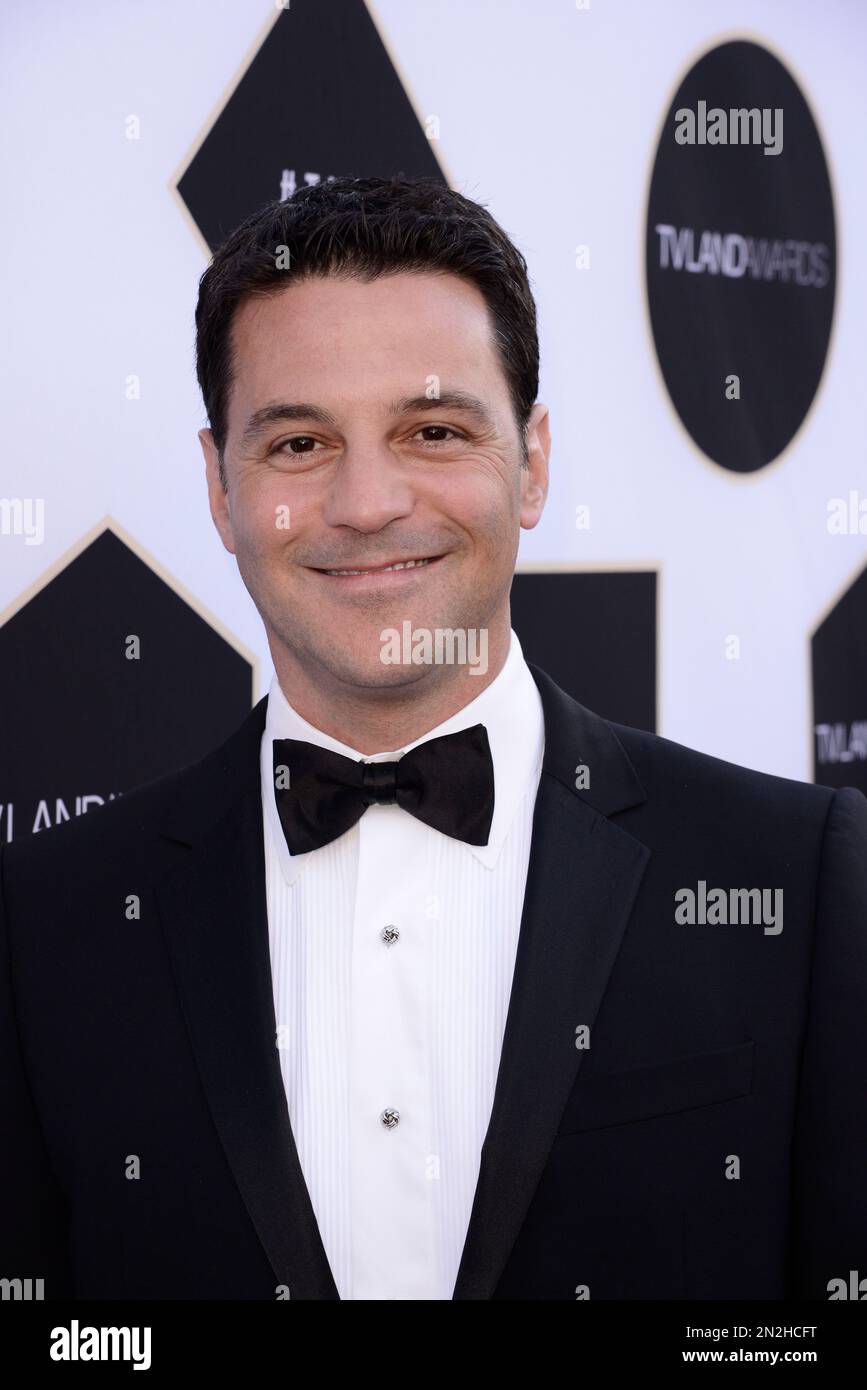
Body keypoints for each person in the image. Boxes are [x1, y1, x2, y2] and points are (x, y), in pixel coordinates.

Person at [1, 176, 865, 1301]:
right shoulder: (45, 922)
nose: (367, 501)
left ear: (534, 461)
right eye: (301, 442)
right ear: (219, 487)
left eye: (434, 429)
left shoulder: (796, 879)